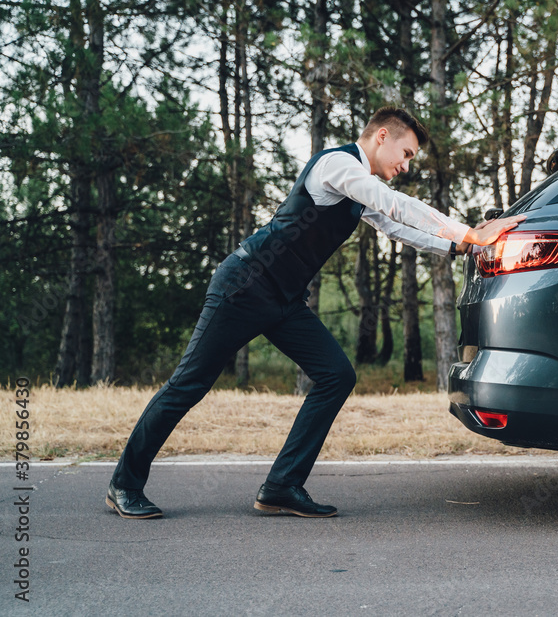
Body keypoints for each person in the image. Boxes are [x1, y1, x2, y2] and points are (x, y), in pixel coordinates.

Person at [106, 106, 525, 519]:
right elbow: (393, 204)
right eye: (406, 153)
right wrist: (469, 232)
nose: (406, 165)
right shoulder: (336, 165)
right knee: (189, 384)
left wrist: (459, 245)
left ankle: (282, 486)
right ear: (382, 136)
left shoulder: (359, 189)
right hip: (244, 286)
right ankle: (124, 484)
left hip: (285, 300)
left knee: (336, 374)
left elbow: (395, 226)